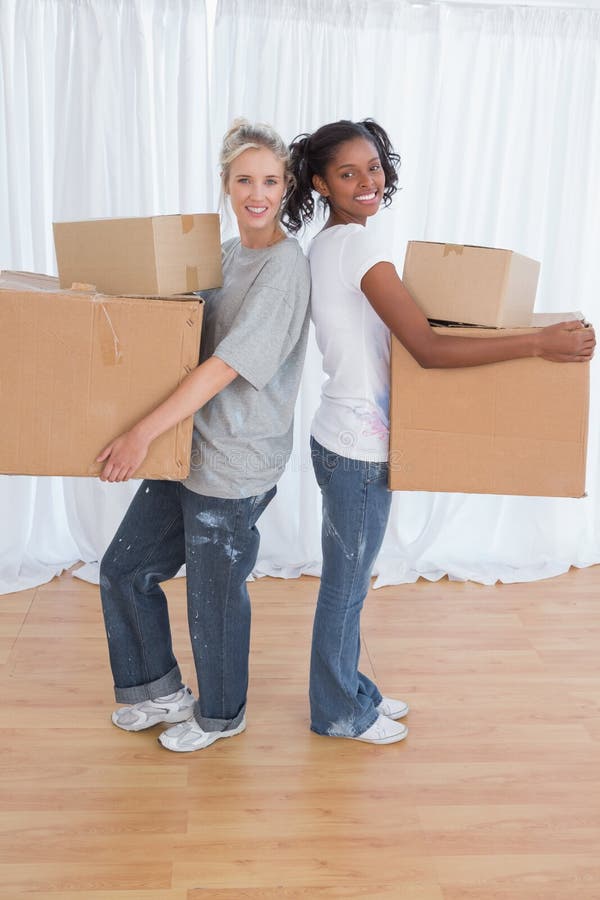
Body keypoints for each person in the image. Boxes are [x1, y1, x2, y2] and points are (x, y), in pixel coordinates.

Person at [282, 118, 595, 746]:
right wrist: (538, 342)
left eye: (373, 167)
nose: (367, 181)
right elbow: (425, 347)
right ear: (321, 182)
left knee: (353, 579)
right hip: (356, 446)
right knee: (346, 587)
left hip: (343, 435)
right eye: (348, 173)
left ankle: (353, 689)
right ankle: (338, 712)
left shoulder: (330, 244)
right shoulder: (360, 250)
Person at [98, 119, 311, 753]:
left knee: (212, 595)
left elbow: (223, 367)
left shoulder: (284, 266)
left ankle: (222, 714)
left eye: (270, 180)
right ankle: (155, 690)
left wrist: (140, 433)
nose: (258, 192)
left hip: (237, 459)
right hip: (188, 449)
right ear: (226, 184)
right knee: (124, 569)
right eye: (245, 179)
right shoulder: (222, 253)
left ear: (286, 186)